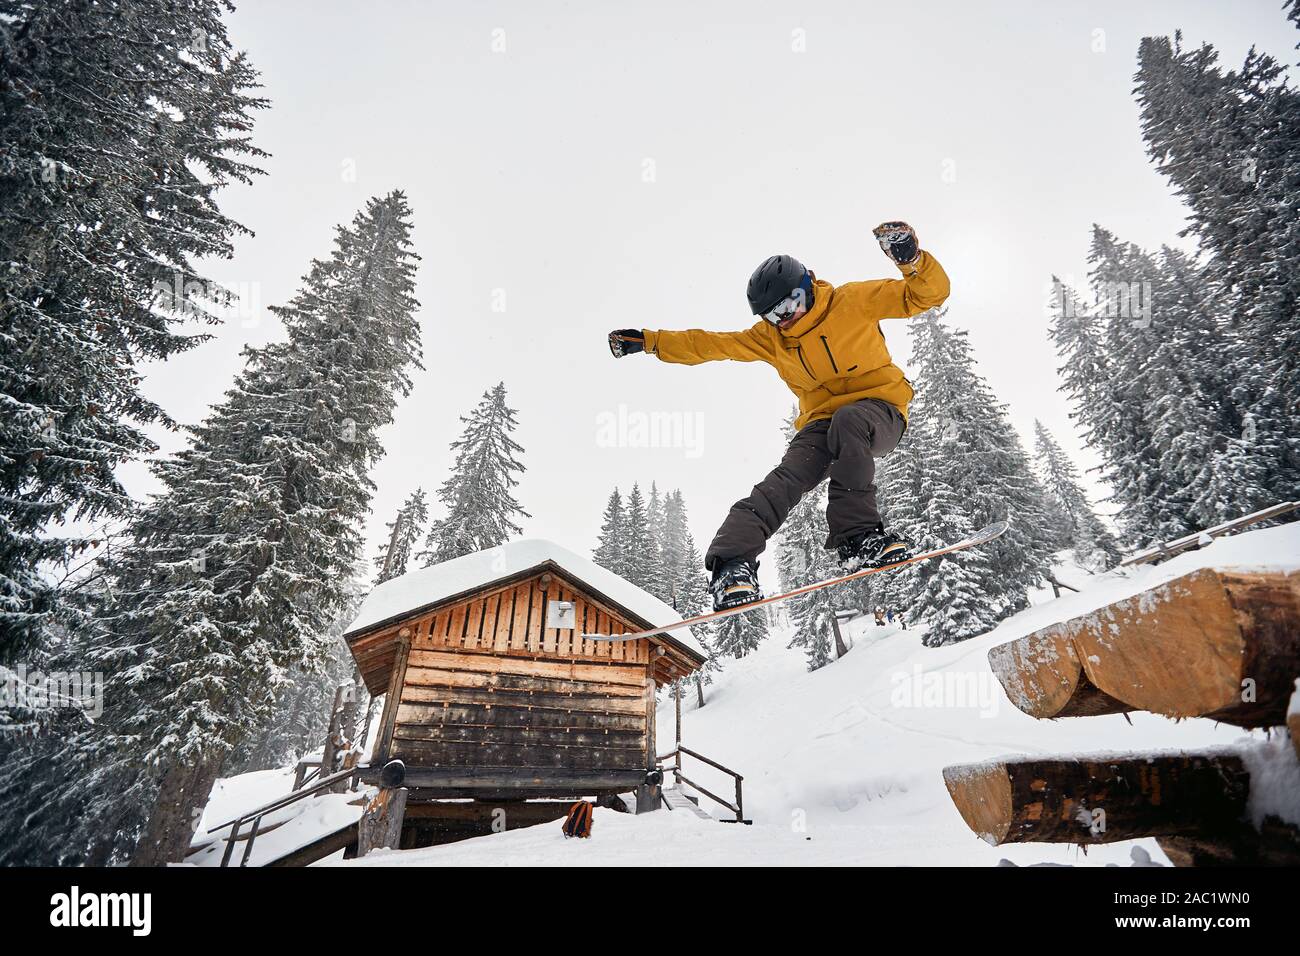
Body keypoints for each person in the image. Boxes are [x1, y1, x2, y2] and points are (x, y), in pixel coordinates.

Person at [608, 222, 950, 612]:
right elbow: (710, 344)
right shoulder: (772, 339)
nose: (784, 318)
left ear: (809, 285)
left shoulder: (853, 301)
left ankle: (858, 535)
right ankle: (731, 565)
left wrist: (911, 261)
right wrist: (651, 342)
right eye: (773, 315)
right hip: (821, 423)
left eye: (790, 305)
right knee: (784, 480)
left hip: (881, 410)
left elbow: (924, 296)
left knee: (850, 421)